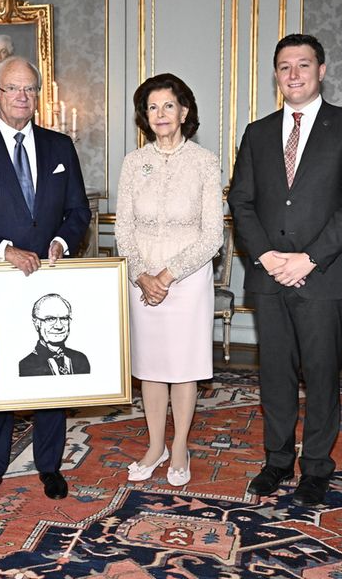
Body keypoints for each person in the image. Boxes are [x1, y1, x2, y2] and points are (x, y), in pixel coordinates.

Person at [228, 34, 342, 506]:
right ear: (276, 74)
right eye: (285, 66)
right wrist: (266, 256)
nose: (294, 74)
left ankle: (315, 467)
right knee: (274, 376)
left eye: (303, 64)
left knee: (322, 375)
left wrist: (309, 258)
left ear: (321, 70)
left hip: (322, 276)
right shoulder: (258, 132)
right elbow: (241, 202)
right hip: (268, 277)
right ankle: (276, 461)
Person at [0, 55, 91, 505]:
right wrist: (5, 250)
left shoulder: (60, 147)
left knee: (51, 375)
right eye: (13, 88)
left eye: (30, 88)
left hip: (50, 278)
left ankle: (50, 464)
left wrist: (62, 242)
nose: (22, 96)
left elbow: (78, 212)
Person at [114, 73, 222, 487]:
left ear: (184, 111)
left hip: (187, 280)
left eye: (168, 106)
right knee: (151, 367)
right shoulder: (132, 163)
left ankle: (180, 447)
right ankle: (155, 444)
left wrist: (167, 274)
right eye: (152, 107)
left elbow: (213, 235)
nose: (160, 114)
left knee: (183, 367)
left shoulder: (204, 162)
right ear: (145, 115)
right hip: (141, 281)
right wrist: (141, 274)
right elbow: (123, 230)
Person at [19, 294, 91, 377]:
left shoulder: (81, 359)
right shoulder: (26, 365)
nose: (59, 326)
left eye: (64, 318)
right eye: (50, 319)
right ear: (36, 323)